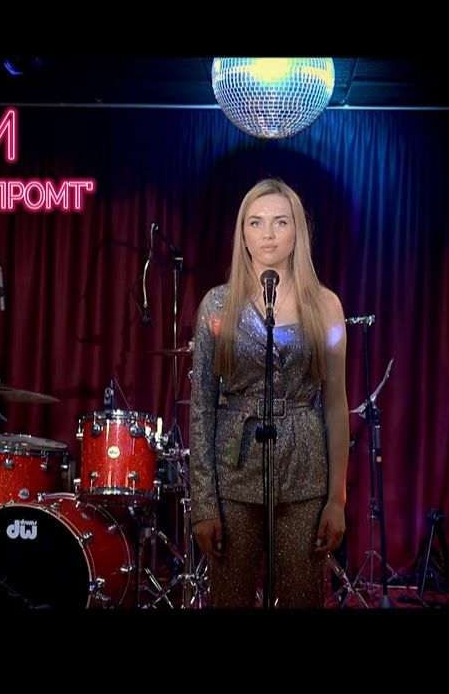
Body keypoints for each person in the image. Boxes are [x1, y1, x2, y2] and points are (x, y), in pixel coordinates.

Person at [189, 178, 349, 608]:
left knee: (303, 597)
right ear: (242, 234)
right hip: (234, 473)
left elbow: (336, 405)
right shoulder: (216, 306)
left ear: (298, 231)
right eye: (256, 222)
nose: (268, 234)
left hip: (305, 473)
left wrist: (336, 499)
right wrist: (203, 504)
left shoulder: (326, 306)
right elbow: (201, 407)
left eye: (280, 222)